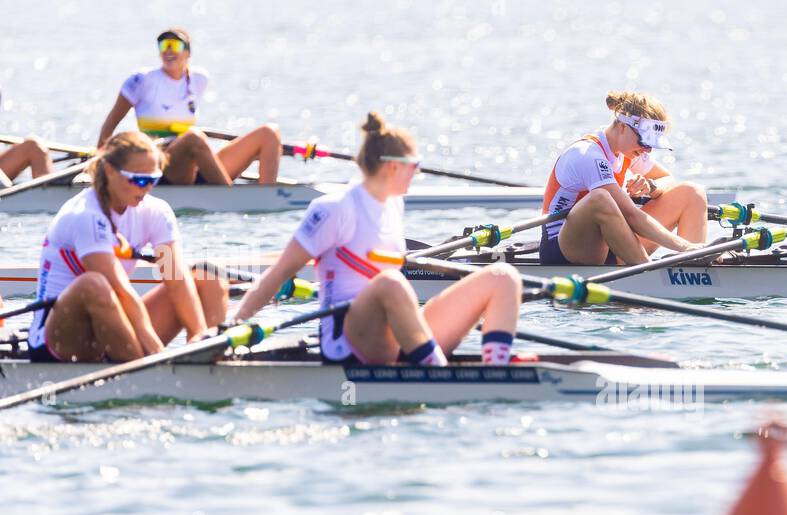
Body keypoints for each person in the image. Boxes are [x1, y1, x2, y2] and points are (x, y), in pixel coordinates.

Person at [233, 112, 522, 367]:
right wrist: (235, 323)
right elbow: (280, 272)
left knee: (503, 276)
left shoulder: (393, 205)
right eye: (415, 165)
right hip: (347, 340)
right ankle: (437, 373)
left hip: (392, 331)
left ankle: (495, 372)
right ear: (392, 167)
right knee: (391, 283)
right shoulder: (335, 209)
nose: (417, 173)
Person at [27, 132, 226, 363]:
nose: (146, 188)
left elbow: (175, 277)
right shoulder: (86, 215)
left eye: (153, 180)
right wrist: (157, 352)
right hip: (60, 338)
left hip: (113, 327)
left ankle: (206, 356)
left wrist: (198, 336)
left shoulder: (156, 211)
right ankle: (146, 370)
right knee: (94, 284)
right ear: (110, 171)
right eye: (139, 180)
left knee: (208, 275)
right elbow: (120, 290)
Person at [539, 90, 707, 266]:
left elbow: (667, 179)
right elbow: (631, 215)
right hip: (565, 247)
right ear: (622, 127)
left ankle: (695, 265)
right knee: (600, 199)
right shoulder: (588, 154)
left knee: (692, 193)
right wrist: (684, 246)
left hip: (610, 242)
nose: (648, 150)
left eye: (652, 144)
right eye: (644, 142)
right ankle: (650, 272)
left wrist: (651, 187)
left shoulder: (628, 150)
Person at [96, 27, 282, 185]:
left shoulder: (199, 79)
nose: (169, 50)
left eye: (175, 45)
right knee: (194, 137)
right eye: (163, 45)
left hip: (194, 163)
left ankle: (268, 195)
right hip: (161, 164)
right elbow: (110, 124)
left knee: (269, 133)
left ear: (188, 53)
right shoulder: (141, 80)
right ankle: (229, 196)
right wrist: (98, 166)